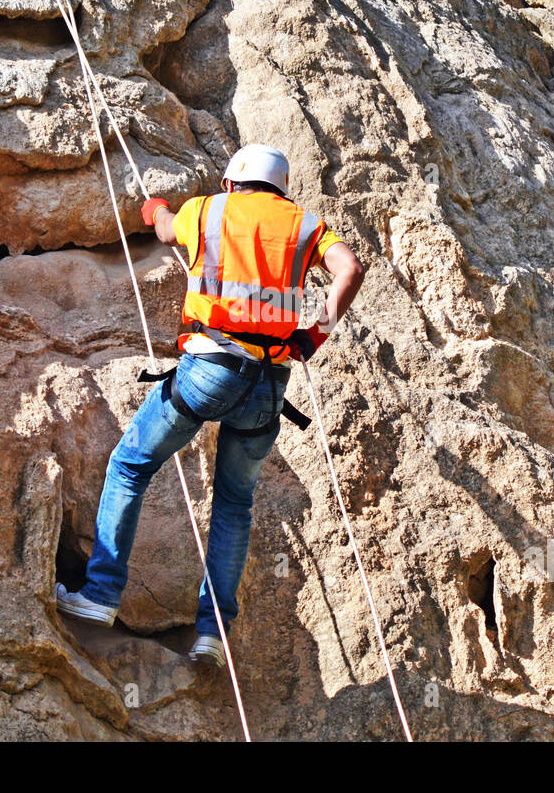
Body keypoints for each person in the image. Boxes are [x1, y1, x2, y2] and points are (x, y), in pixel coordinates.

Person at [55, 144, 365, 667]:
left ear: (232, 182)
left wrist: (153, 210)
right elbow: (350, 269)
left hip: (211, 371)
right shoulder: (305, 225)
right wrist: (315, 335)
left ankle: (101, 595)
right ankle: (212, 634)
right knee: (234, 506)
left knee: (131, 465)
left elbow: (165, 228)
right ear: (280, 188)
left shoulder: (210, 209)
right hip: (269, 386)